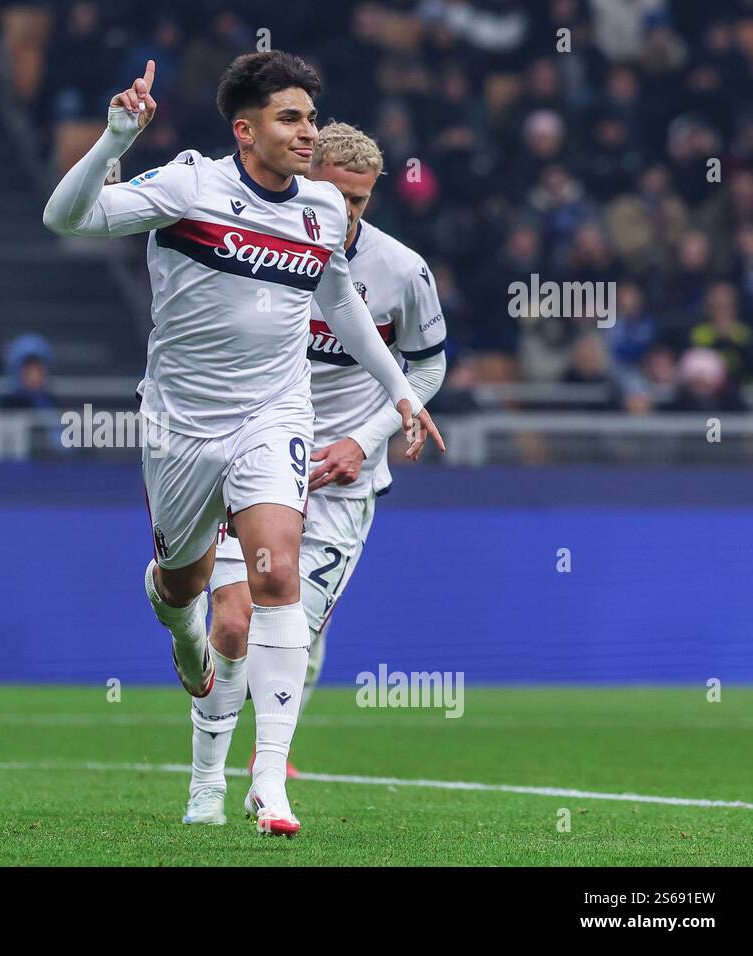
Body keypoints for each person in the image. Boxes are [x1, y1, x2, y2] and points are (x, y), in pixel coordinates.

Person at [43, 54, 441, 835]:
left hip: (273, 415)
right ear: (246, 128)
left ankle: (268, 782)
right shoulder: (190, 187)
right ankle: (173, 615)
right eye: (290, 118)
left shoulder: (323, 209)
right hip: (182, 425)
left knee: (275, 577)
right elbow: (68, 218)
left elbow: (340, 299)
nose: (307, 132)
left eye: (310, 117)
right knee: (185, 589)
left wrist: (397, 391)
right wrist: (113, 139)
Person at [184, 124, 448, 826]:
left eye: (361, 199)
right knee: (232, 624)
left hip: (339, 481)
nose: (349, 212)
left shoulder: (401, 271)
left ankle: (267, 777)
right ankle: (204, 790)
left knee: (289, 617)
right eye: (336, 194)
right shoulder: (255, 247)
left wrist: (369, 437)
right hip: (254, 453)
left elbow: (428, 362)